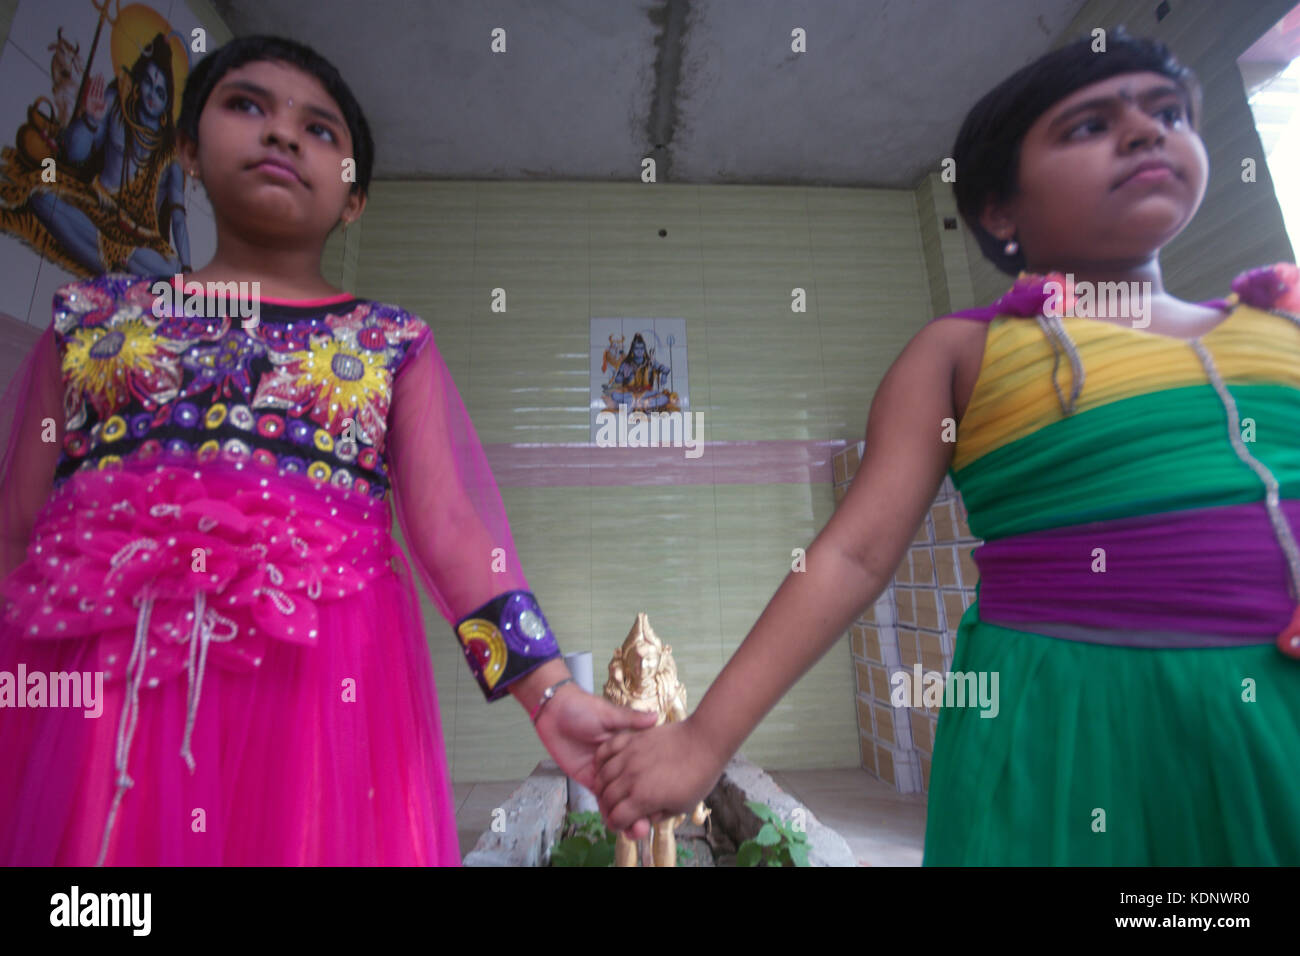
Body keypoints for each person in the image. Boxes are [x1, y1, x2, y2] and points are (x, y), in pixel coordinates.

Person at [592, 30, 1300, 865]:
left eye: (1169, 112)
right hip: (1054, 719)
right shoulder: (962, 352)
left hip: (1276, 706)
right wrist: (702, 740)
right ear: (1000, 208)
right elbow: (855, 554)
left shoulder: (1280, 325)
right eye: (1088, 125)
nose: (1146, 132)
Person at [0, 34, 656, 866]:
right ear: (189, 154)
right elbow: (17, 531)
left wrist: (548, 690)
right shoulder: (90, 320)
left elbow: (452, 529)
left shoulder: (388, 342)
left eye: (320, 131)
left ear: (354, 201)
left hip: (314, 700)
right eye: (246, 105)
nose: (280, 134)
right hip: (104, 704)